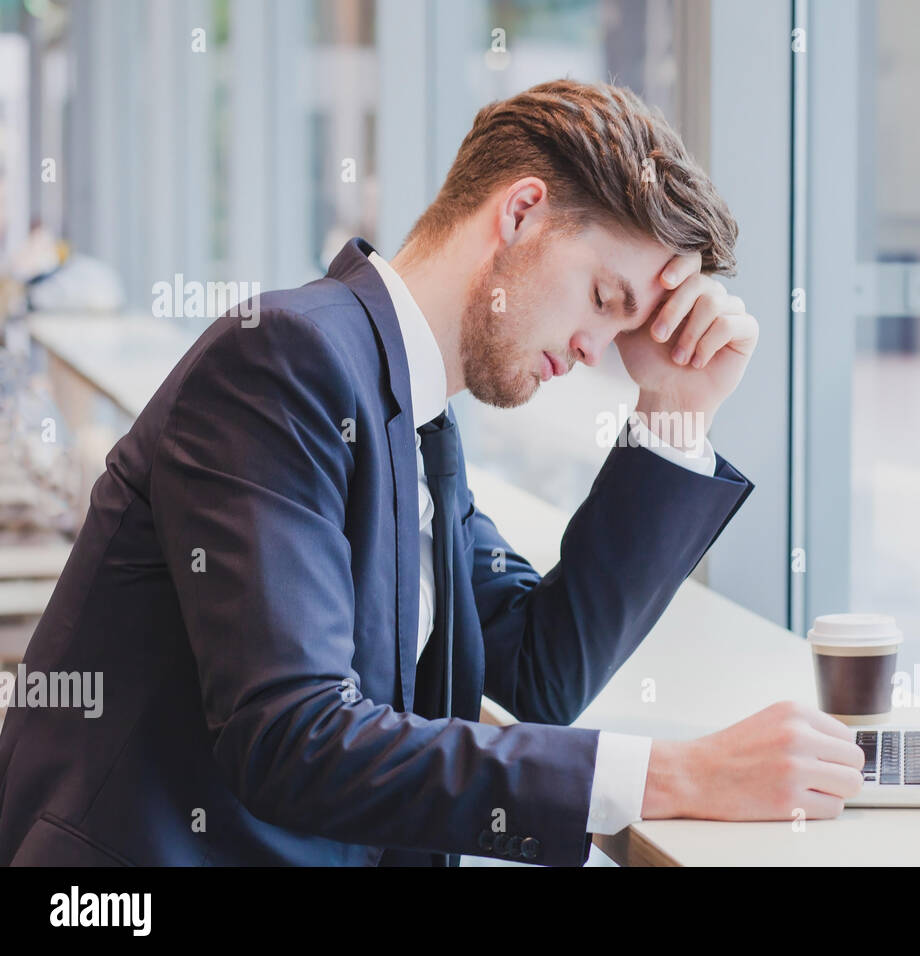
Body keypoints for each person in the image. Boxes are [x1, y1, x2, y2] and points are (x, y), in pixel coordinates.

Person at [0, 79, 864, 867]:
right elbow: (290, 735)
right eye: (604, 299)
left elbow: (534, 676)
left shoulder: (413, 417)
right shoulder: (284, 359)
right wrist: (675, 776)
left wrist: (674, 408)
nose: (600, 350)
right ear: (522, 212)